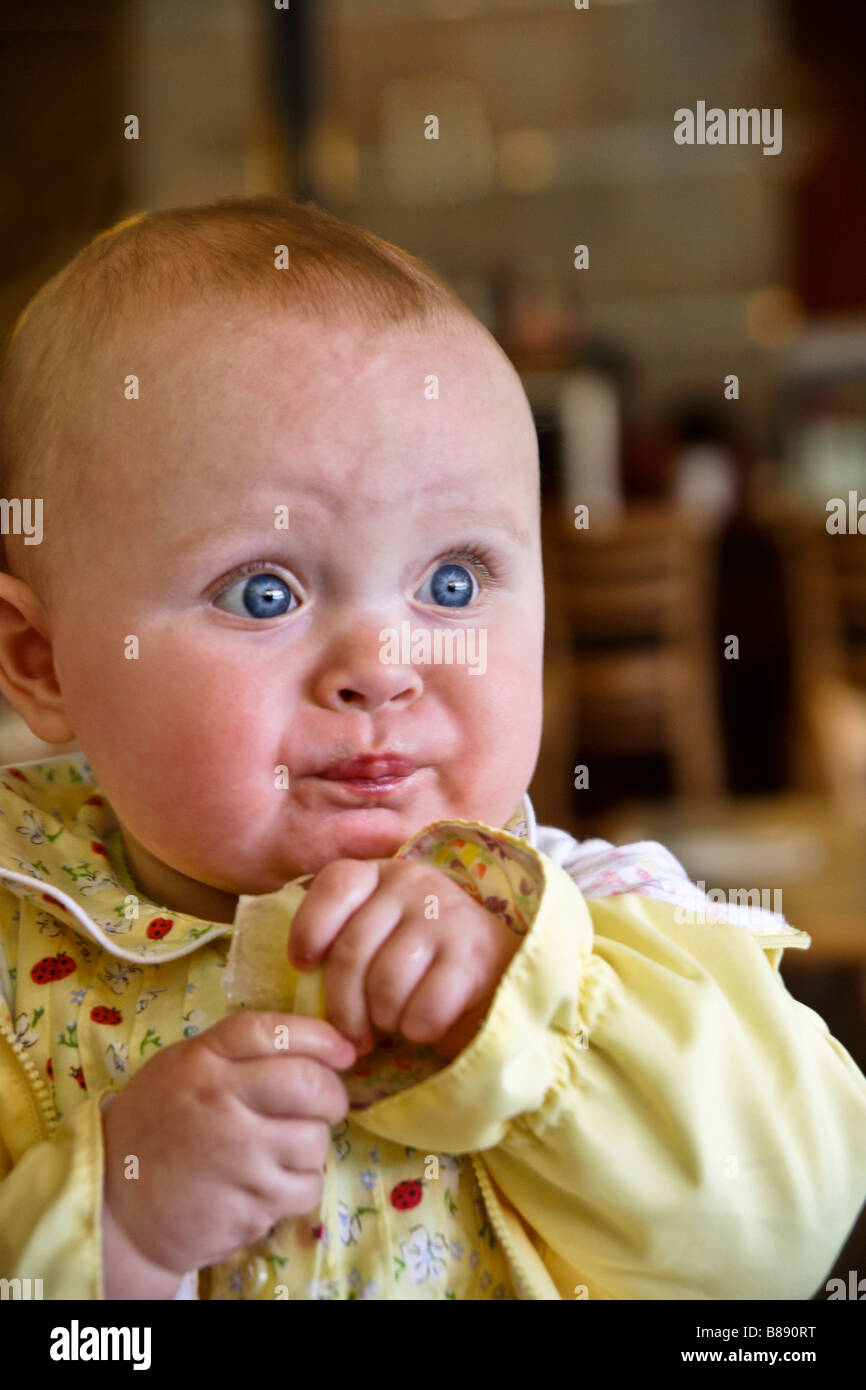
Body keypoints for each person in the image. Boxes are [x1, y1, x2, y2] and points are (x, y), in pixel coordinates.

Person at [0, 197, 863, 1301]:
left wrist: (527, 1011)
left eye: (452, 582)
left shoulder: (599, 928)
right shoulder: (19, 960)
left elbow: (781, 1236)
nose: (385, 665)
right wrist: (108, 1221)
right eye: (263, 591)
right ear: (42, 661)